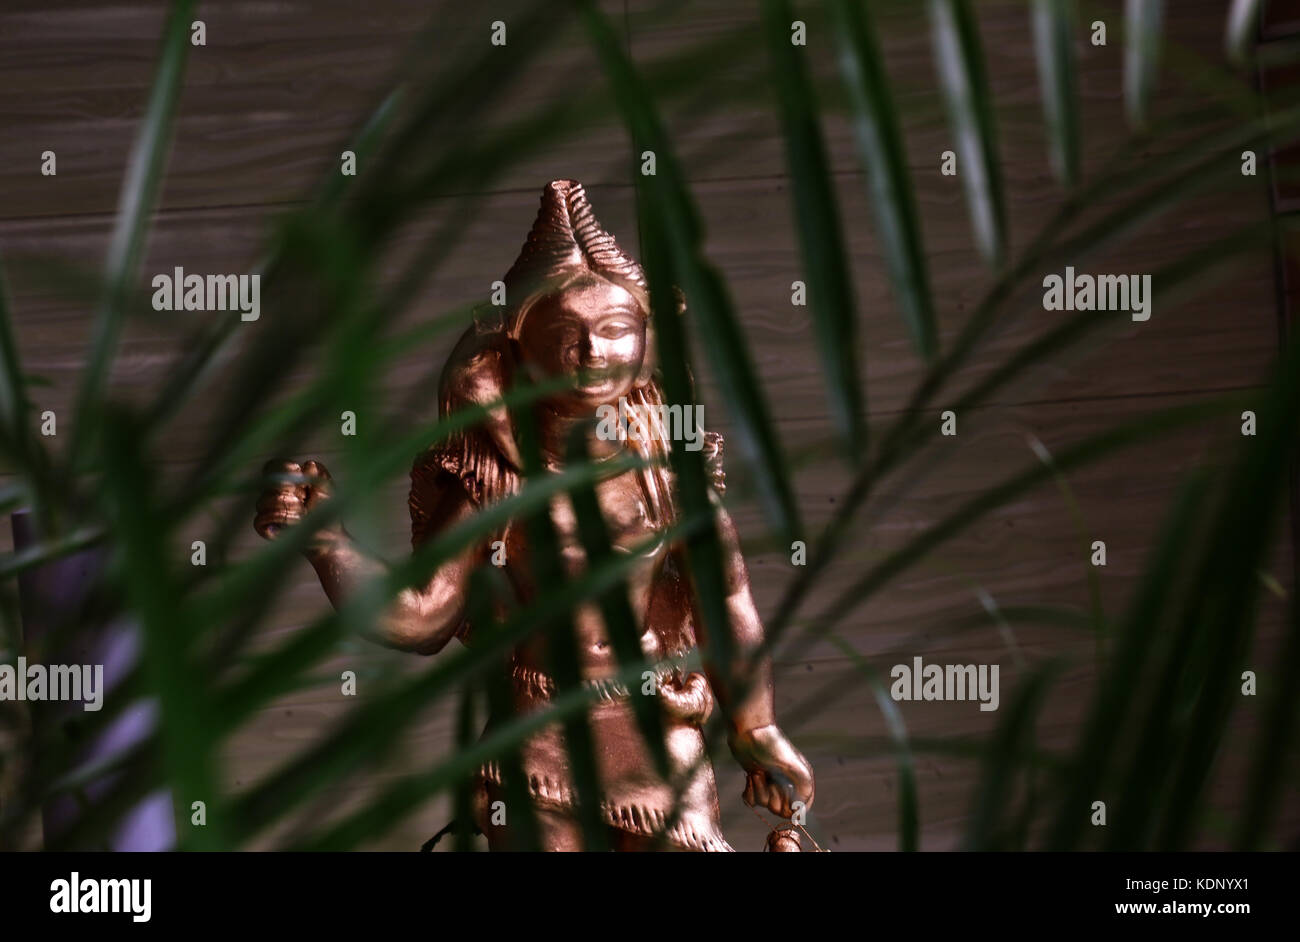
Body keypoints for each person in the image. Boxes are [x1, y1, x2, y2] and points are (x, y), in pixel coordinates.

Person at [254, 179, 814, 851]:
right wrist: (326, 544)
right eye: (564, 333)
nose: (591, 352)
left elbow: (729, 608)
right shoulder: (494, 485)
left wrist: (755, 728)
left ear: (645, 345)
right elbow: (422, 615)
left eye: (614, 330)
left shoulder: (671, 485)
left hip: (656, 721)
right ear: (513, 352)